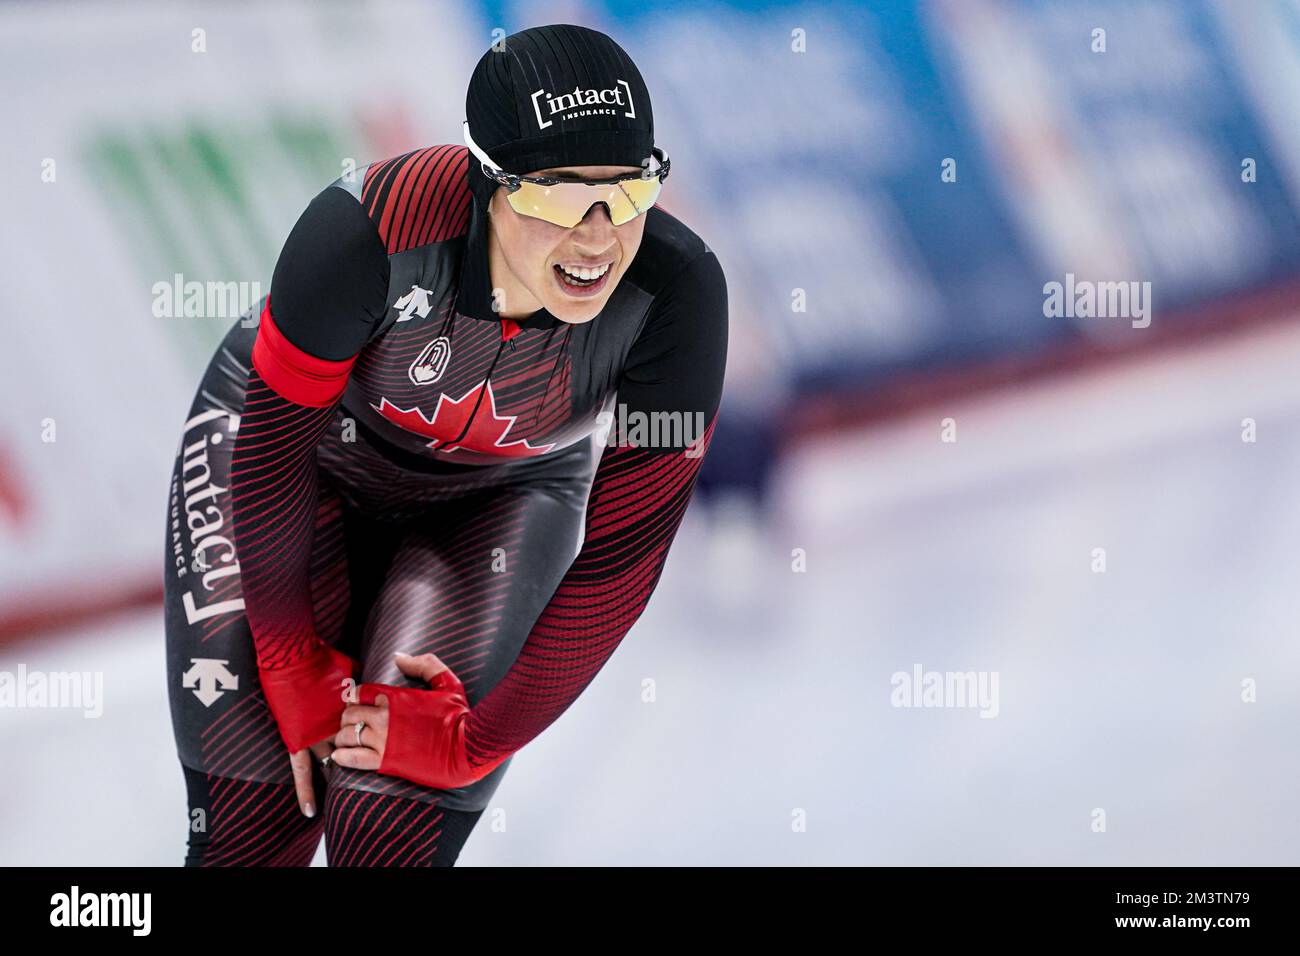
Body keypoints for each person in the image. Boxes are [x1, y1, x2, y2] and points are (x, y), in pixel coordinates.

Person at [162, 23, 728, 866]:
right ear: (486, 182)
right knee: (254, 833)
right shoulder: (367, 233)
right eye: (561, 197)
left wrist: (475, 741)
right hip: (299, 471)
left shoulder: (676, 296)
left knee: (385, 837)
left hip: (497, 507)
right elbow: (274, 452)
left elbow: (619, 562)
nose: (601, 238)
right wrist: (284, 658)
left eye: (631, 193)